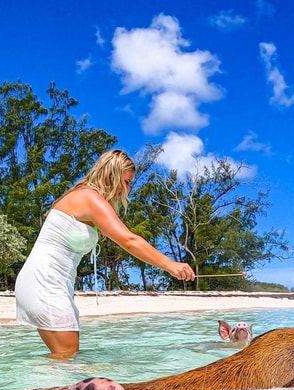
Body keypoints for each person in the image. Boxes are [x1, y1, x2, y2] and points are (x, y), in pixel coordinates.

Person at [14, 149, 195, 358]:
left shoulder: (86, 198)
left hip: (53, 284)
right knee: (66, 358)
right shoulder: (90, 198)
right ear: (112, 176)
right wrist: (170, 265)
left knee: (64, 359)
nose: (128, 189)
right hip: (44, 281)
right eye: (126, 182)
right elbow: (129, 240)